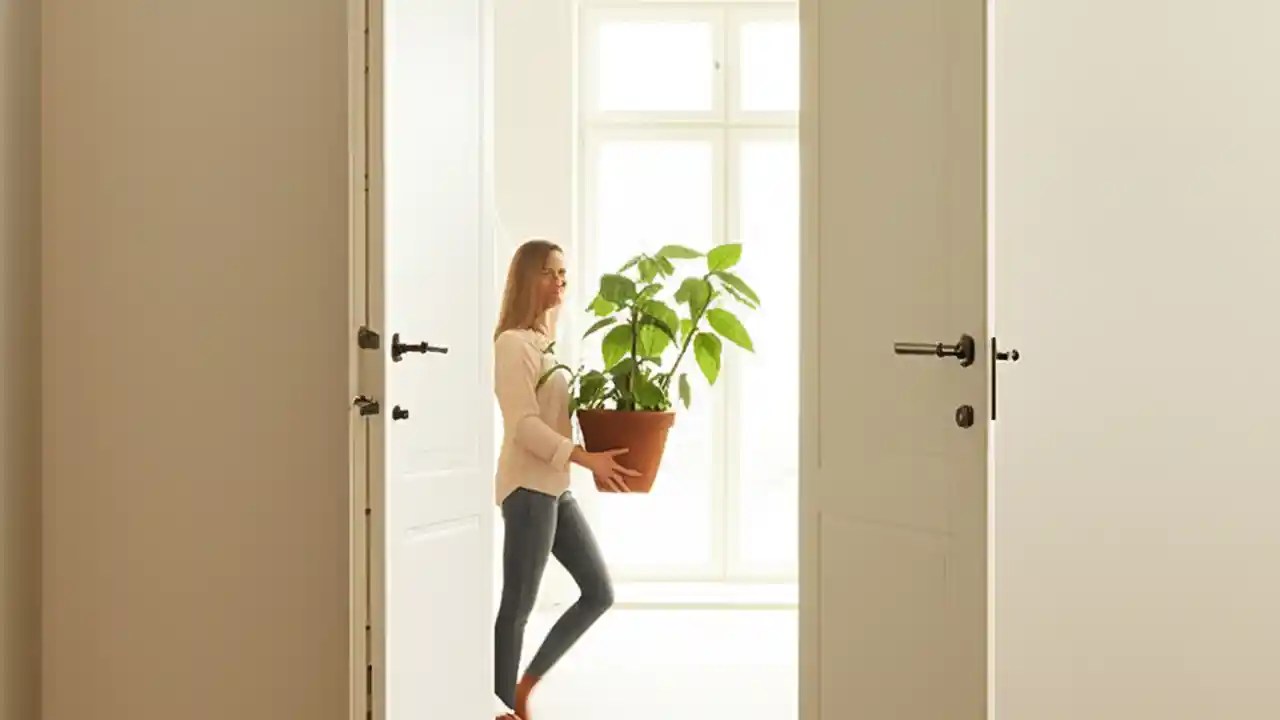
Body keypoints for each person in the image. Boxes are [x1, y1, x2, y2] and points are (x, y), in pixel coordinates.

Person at [492, 239, 640, 720]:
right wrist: (584, 457)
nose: (561, 281)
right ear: (528, 278)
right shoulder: (511, 344)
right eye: (551, 272)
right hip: (528, 488)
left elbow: (557, 416)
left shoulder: (543, 342)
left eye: (564, 273)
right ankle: (498, 707)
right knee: (518, 603)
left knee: (598, 591)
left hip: (555, 487)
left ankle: (521, 689)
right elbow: (524, 426)